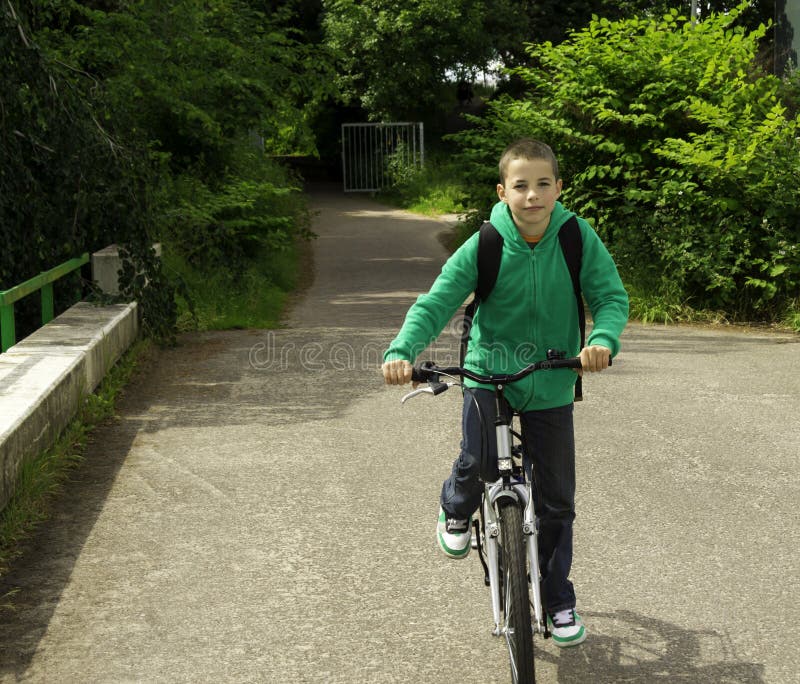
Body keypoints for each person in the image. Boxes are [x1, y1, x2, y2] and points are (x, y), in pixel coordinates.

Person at [381, 138, 629, 648]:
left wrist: (602, 340)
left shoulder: (577, 238)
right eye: (521, 185)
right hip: (489, 371)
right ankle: (455, 506)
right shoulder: (486, 243)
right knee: (476, 462)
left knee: (558, 500)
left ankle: (558, 601)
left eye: (543, 184)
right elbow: (438, 301)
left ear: (559, 188)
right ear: (503, 191)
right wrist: (401, 350)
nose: (532, 195)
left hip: (554, 378)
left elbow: (609, 296)